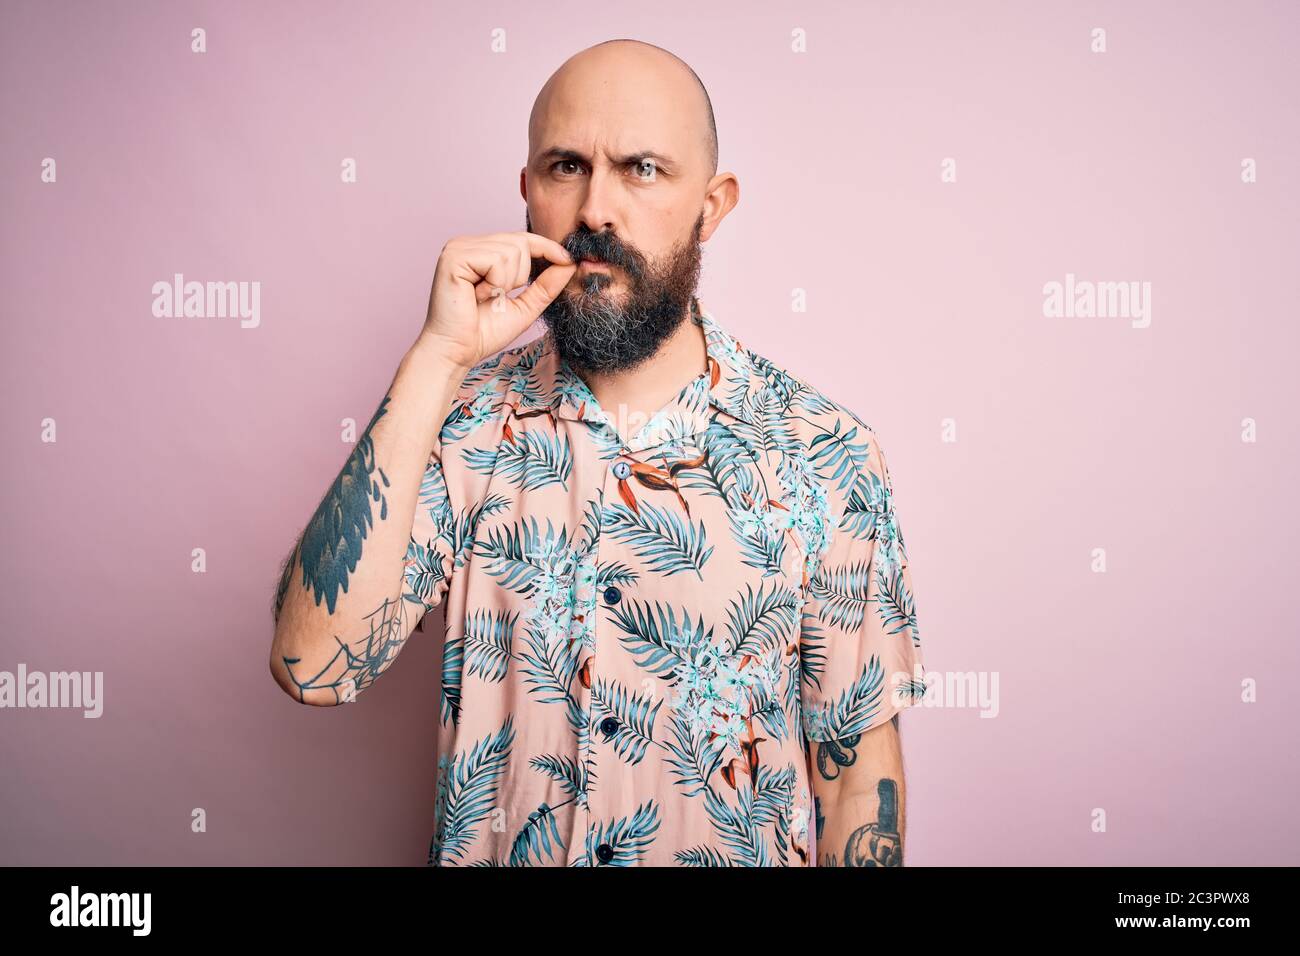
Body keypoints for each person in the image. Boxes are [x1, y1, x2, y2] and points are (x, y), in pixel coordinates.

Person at [269, 38, 927, 867]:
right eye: (565, 167)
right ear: (528, 194)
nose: (595, 211)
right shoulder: (458, 425)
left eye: (642, 168)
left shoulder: (825, 454)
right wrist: (437, 357)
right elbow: (313, 666)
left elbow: (857, 785)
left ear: (712, 204)